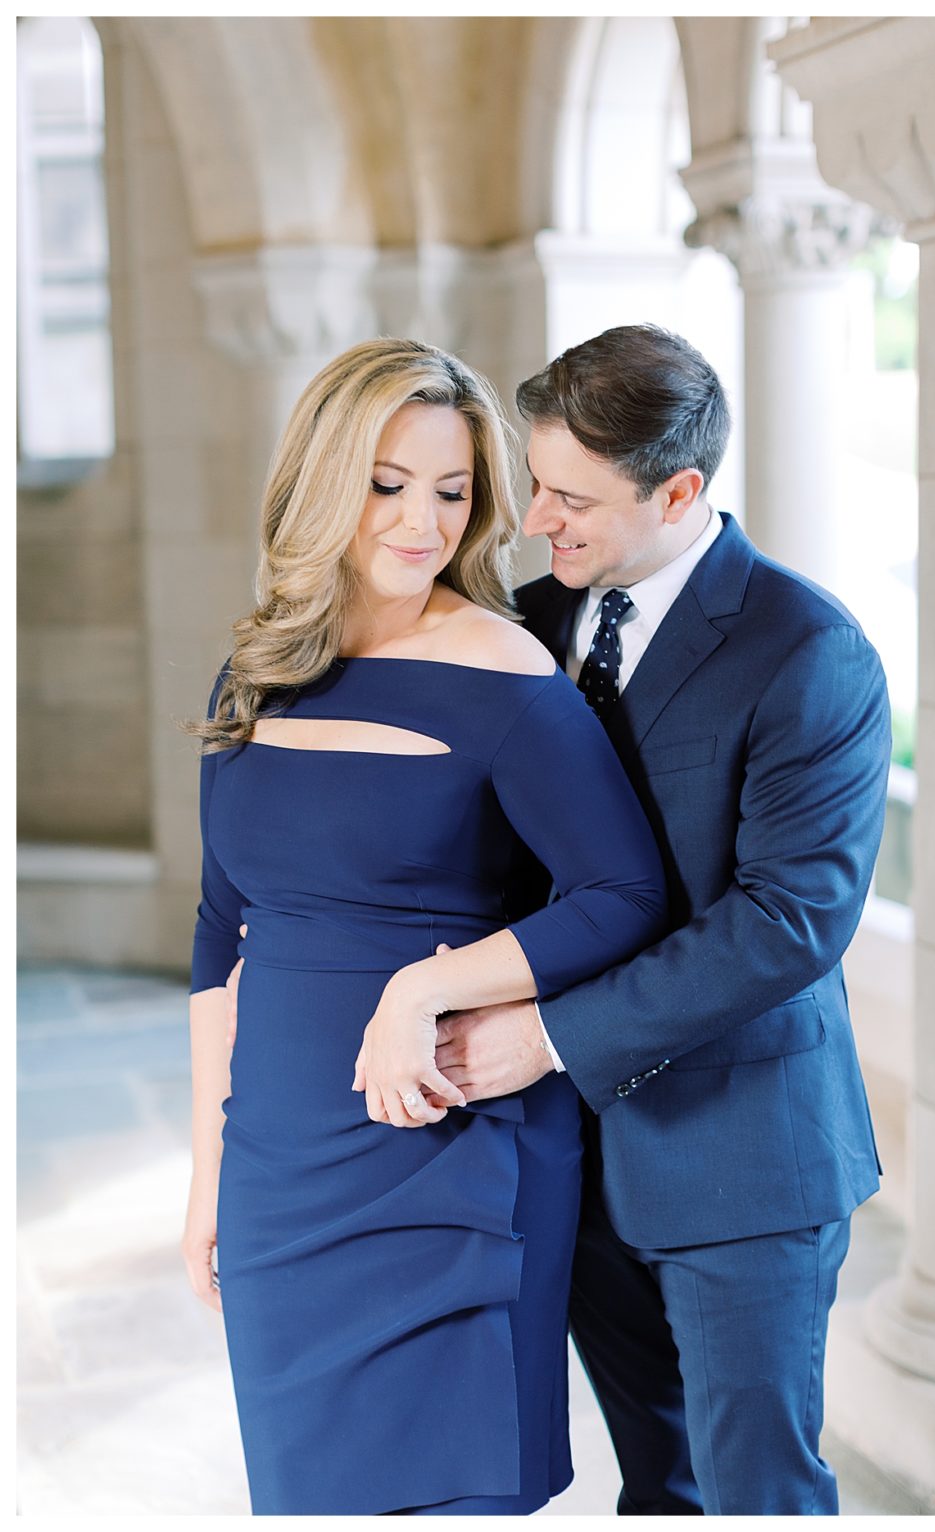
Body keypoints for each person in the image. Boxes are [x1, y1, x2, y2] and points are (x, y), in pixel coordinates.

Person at [181, 338, 669, 1513]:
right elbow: (219, 932)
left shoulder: (505, 668)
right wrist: (210, 1173)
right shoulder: (254, 670)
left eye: (452, 492)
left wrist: (424, 988)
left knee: (456, 1489)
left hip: (447, 1138)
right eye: (389, 484)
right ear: (322, 479)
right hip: (280, 1165)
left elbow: (623, 893)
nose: (424, 523)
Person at [426, 324, 893, 1515]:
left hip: (744, 1154)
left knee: (756, 1491)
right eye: (537, 482)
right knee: (660, 1486)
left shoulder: (809, 649)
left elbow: (790, 922)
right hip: (563, 1162)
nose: (538, 518)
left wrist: (548, 1035)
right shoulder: (521, 628)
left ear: (679, 489)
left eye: (574, 496)